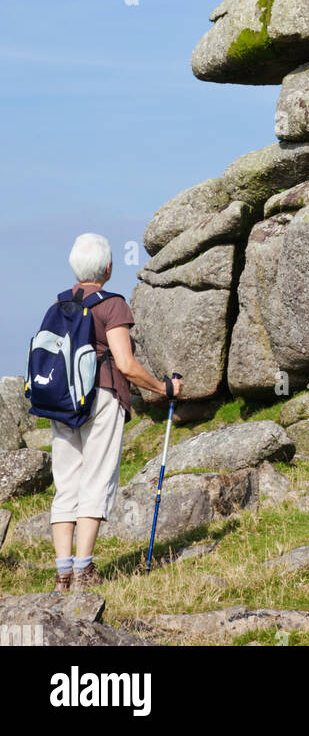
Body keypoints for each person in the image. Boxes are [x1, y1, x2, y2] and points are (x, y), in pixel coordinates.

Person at [49, 233, 183, 592]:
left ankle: (62, 573)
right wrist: (162, 388)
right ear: (108, 268)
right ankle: (83, 570)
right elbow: (125, 364)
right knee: (96, 479)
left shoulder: (59, 305)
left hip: (61, 402)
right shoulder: (112, 305)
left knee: (66, 485)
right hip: (102, 398)